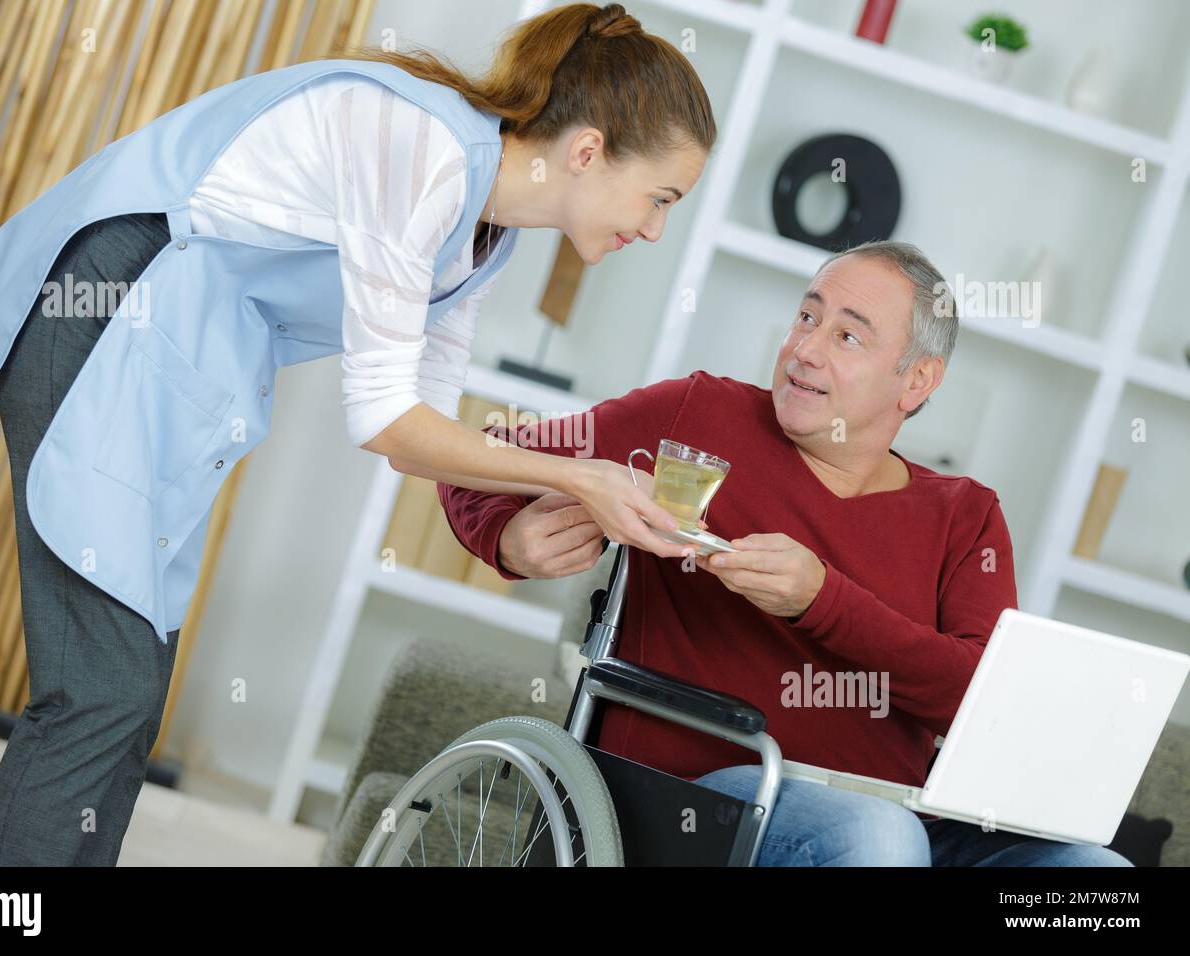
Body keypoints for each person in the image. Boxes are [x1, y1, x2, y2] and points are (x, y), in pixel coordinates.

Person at [0, 2, 714, 865]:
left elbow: (421, 429)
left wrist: (518, 519)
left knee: (130, 696)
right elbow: (381, 418)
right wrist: (582, 477)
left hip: (173, 359)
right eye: (659, 197)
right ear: (588, 151)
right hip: (107, 311)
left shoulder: (486, 236)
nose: (655, 228)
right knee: (100, 690)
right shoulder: (424, 149)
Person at [436, 240, 1132, 866]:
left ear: (915, 381)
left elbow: (979, 702)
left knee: (1097, 875)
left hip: (904, 819)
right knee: (879, 841)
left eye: (848, 336)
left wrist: (823, 601)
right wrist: (507, 536)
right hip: (700, 797)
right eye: (807, 317)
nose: (805, 349)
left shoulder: (965, 516)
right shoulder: (698, 415)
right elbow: (479, 461)